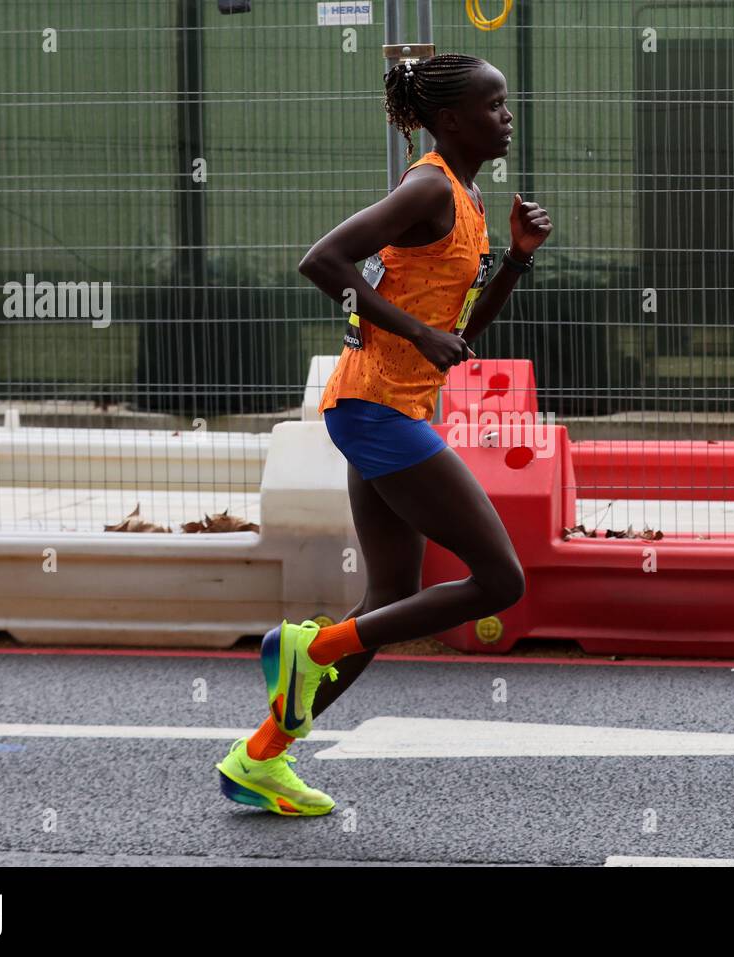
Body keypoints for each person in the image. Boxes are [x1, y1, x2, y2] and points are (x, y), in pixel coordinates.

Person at [216, 53, 552, 815]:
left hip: (384, 407)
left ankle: (259, 757)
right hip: (376, 410)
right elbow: (321, 260)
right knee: (501, 581)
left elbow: (461, 332)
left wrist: (517, 262)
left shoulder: (461, 197)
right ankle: (310, 646)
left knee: (391, 593)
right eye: (494, 105)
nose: (507, 116)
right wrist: (414, 332)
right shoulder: (429, 185)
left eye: (505, 103)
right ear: (450, 121)